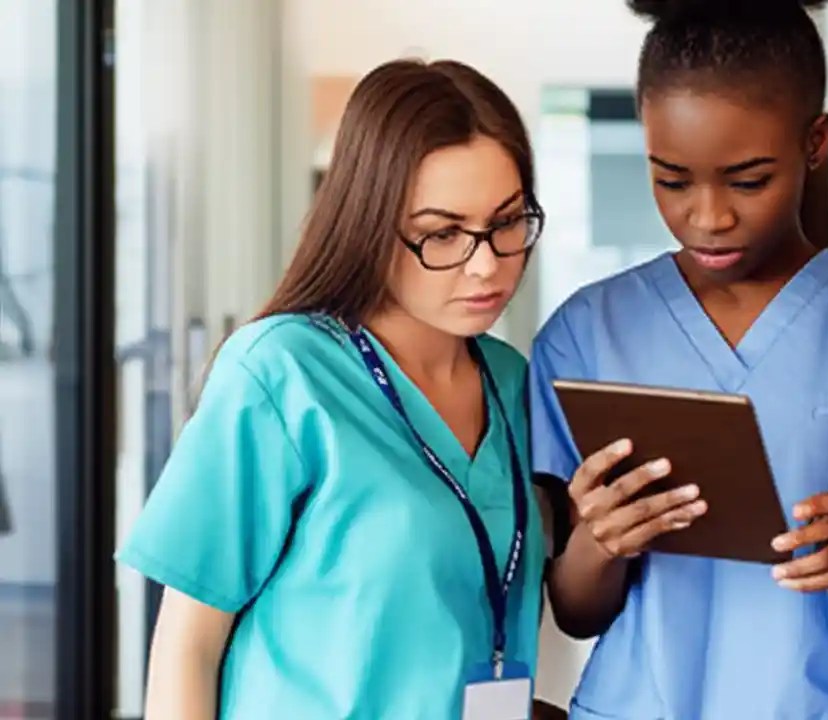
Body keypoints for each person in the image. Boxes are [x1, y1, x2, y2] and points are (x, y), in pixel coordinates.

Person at [530, 1, 828, 717]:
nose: (708, 215)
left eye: (748, 180)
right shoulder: (586, 332)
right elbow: (576, 612)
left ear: (815, 142)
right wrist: (601, 543)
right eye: (671, 179)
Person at [115, 59, 548, 719]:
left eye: (508, 222)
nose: (487, 263)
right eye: (442, 234)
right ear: (371, 223)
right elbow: (188, 645)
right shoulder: (279, 374)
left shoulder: (513, 382)